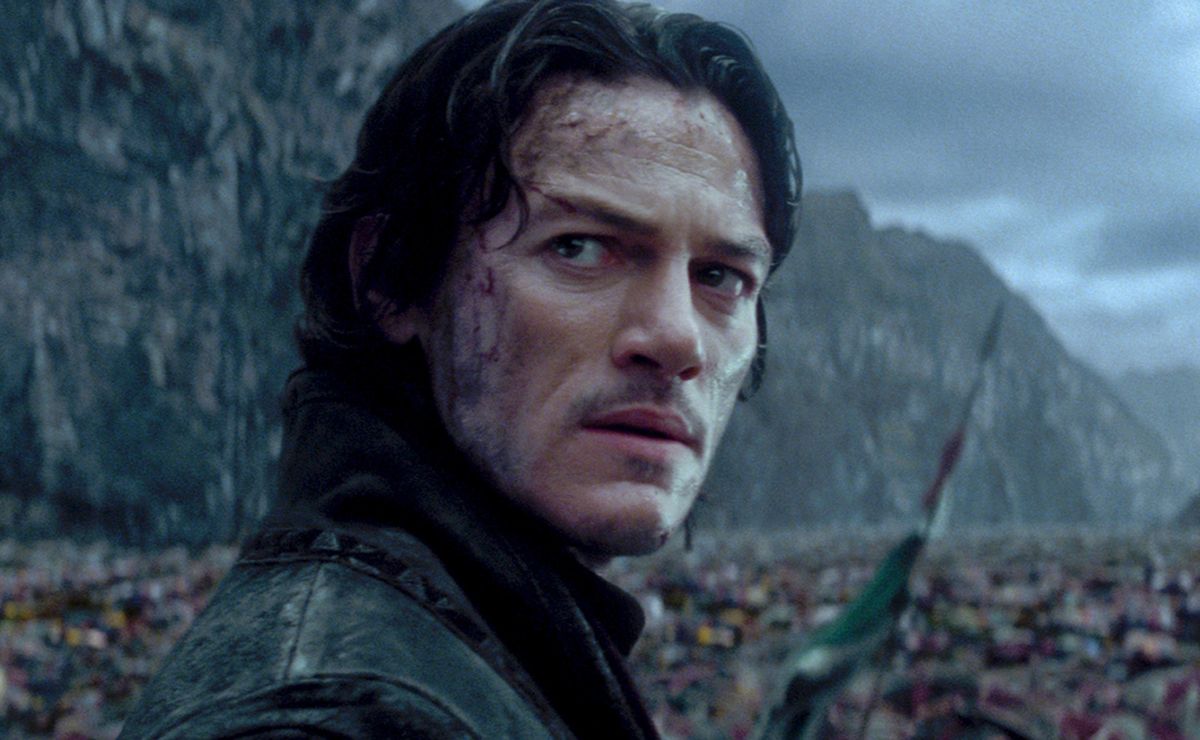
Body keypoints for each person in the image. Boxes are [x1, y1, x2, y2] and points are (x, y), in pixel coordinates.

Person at [120, 0, 800, 737]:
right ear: (392, 277)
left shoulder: (471, 655)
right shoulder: (322, 724)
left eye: (721, 277)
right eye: (579, 247)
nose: (677, 338)